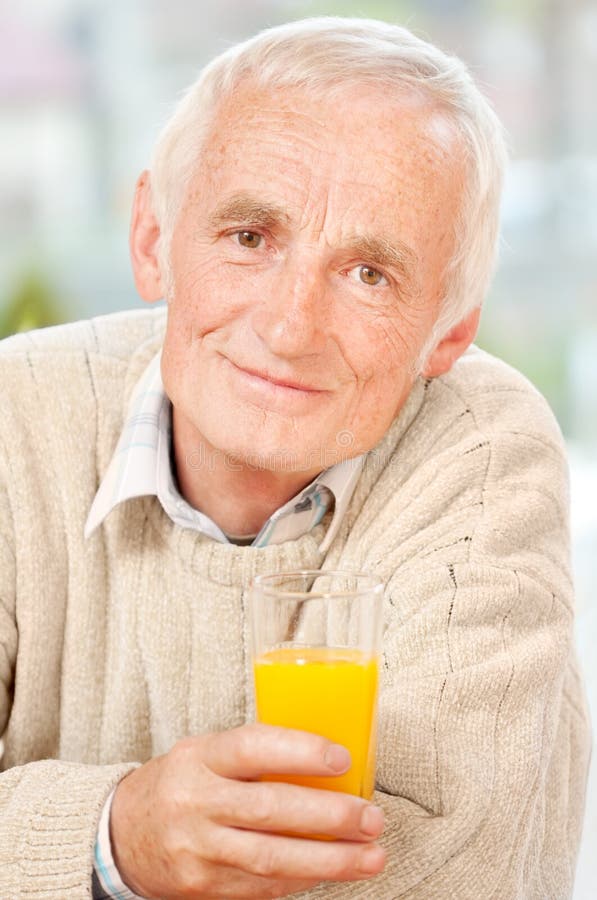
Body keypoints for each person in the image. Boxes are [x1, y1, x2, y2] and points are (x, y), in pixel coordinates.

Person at [0, 15, 590, 900]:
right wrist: (116, 834)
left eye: (368, 275)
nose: (287, 328)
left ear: (450, 330)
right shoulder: (16, 417)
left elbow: (456, 870)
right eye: (248, 238)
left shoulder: (480, 452)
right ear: (154, 240)